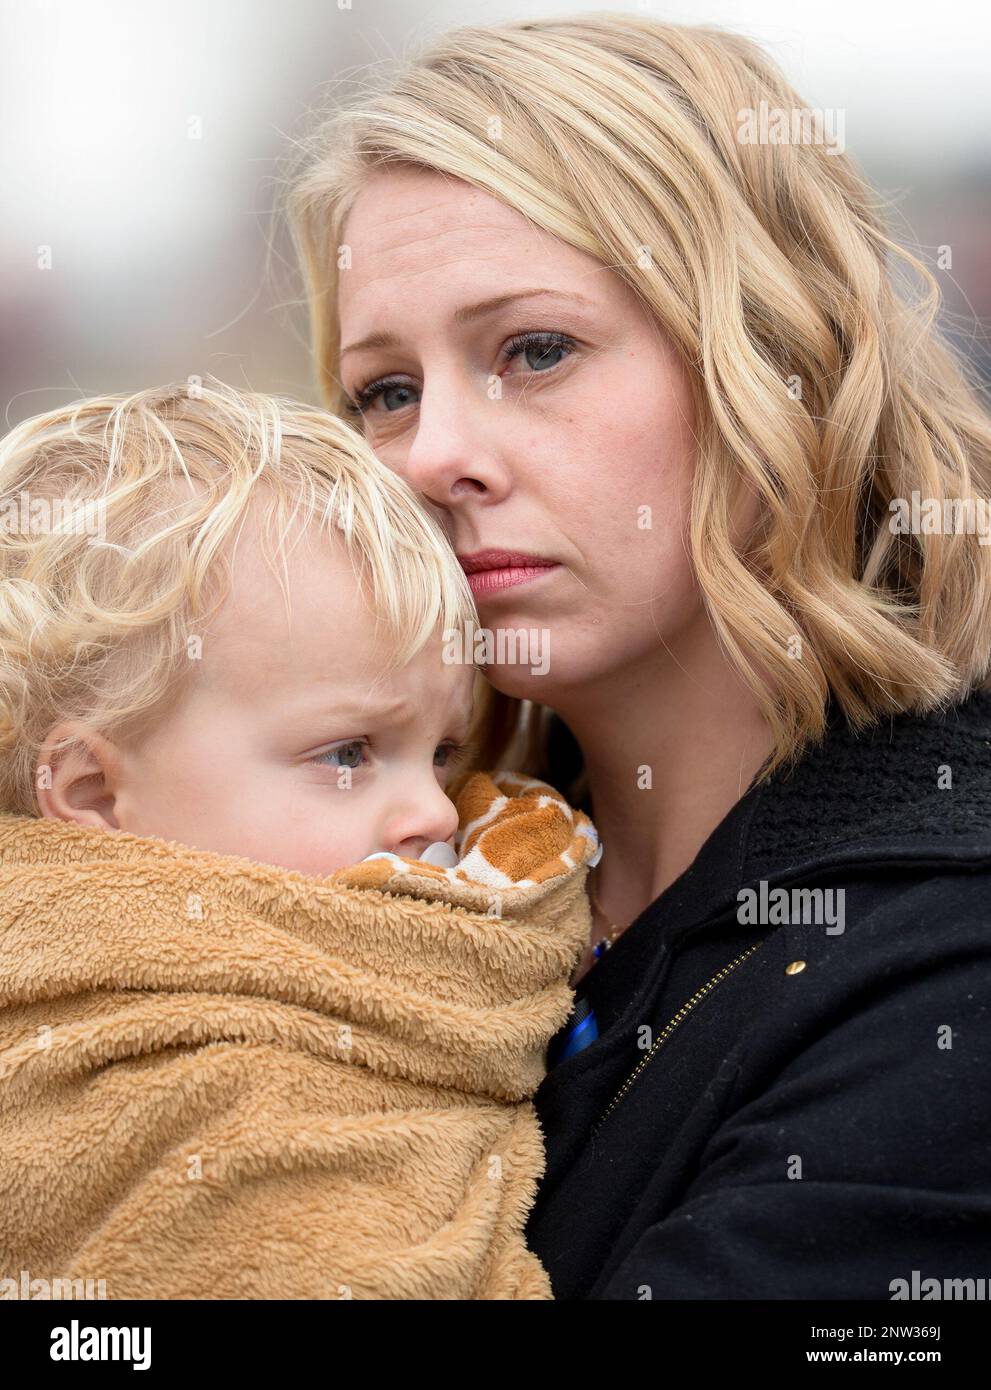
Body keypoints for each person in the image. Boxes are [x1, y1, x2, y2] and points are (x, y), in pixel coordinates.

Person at [287, 13, 991, 1297]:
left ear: (776, 356)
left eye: (534, 350)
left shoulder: (943, 949)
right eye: (385, 390)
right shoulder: (359, 847)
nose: (435, 453)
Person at [0, 378, 597, 1299]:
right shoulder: (167, 1078)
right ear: (91, 791)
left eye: (440, 752)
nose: (437, 814)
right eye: (348, 751)